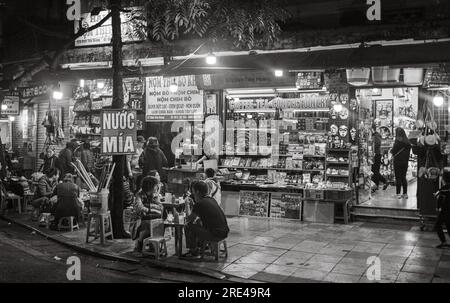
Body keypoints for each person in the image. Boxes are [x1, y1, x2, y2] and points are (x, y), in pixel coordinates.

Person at [183, 181, 229, 258]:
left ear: (197, 192)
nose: (192, 194)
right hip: (224, 232)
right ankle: (200, 246)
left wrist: (187, 204)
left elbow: (189, 219)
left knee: (188, 226)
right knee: (198, 222)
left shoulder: (200, 204)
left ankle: (193, 250)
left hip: (215, 234)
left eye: (193, 192)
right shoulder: (211, 200)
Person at [129, 176, 164, 252]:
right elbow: (139, 208)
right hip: (138, 221)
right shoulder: (139, 195)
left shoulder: (154, 195)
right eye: (155, 186)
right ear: (150, 186)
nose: (157, 188)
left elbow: (160, 207)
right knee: (147, 224)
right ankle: (140, 245)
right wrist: (151, 209)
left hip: (149, 218)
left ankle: (152, 245)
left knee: (157, 222)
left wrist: (149, 208)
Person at [391, 127, 412, 199]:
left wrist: (391, 150)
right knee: (403, 177)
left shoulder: (397, 142)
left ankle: (398, 194)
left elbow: (393, 151)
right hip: (405, 162)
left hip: (397, 162)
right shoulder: (408, 142)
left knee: (398, 178)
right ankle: (405, 194)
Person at [434, 170, 450, 248]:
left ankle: (443, 242)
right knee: (448, 225)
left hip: (445, 210)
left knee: (438, 225)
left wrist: (437, 207)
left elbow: (439, 198)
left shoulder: (443, 188)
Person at [371, 126, 388, 193]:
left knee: (375, 171)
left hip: (376, 155)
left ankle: (384, 181)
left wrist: (372, 146)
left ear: (372, 129)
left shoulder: (376, 135)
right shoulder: (375, 135)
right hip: (375, 154)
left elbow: (378, 143)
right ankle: (377, 185)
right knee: (375, 170)